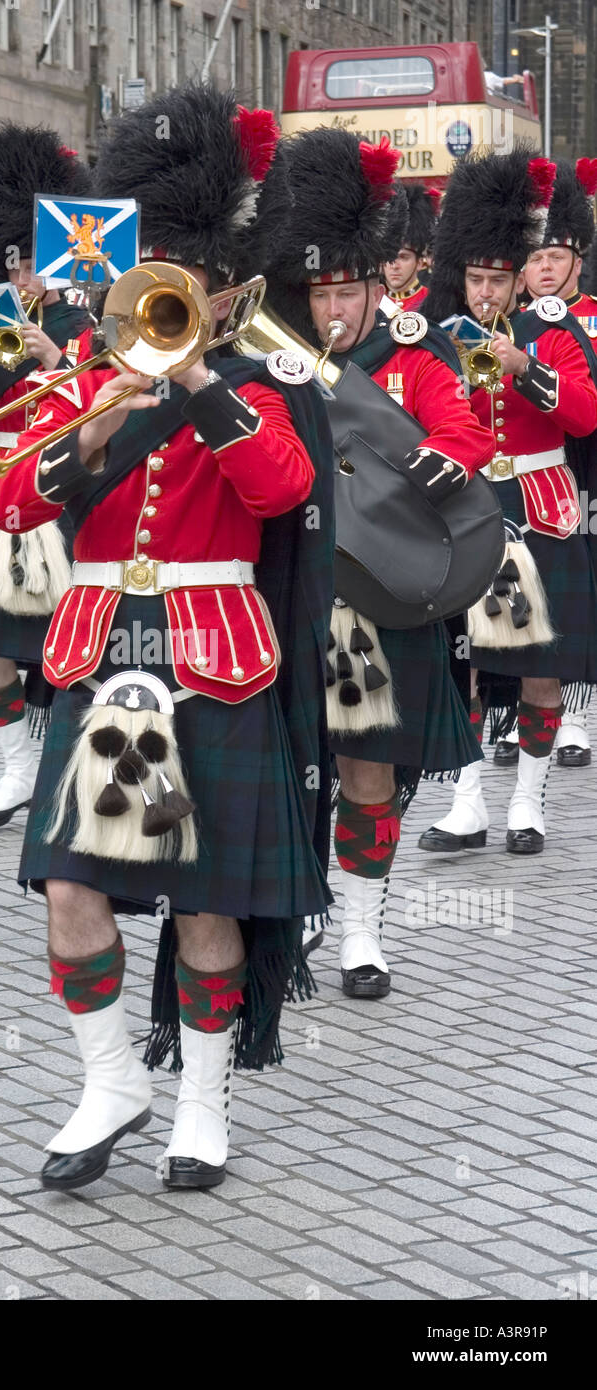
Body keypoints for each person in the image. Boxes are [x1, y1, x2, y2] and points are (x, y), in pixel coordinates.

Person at [0, 83, 335, 1192]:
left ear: (224, 289)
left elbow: (281, 490)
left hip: (210, 657)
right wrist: (91, 433)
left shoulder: (257, 384)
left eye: (186, 280)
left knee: (207, 894)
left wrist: (187, 380)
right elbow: (4, 506)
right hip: (95, 654)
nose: (164, 295)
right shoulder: (85, 383)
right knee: (67, 886)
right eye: (153, 276)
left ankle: (198, 1097)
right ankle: (108, 1078)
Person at [260, 127, 496, 996]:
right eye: (319, 293)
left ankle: (363, 927)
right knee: (289, 756)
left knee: (366, 766)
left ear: (372, 284)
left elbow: (462, 423)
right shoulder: (271, 363)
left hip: (380, 595)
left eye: (348, 291)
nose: (336, 311)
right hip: (293, 590)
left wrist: (445, 458)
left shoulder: (408, 352)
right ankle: (301, 906)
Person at [419, 150, 597, 856]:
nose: (486, 291)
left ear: (519, 277)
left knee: (538, 666)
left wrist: (527, 368)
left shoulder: (551, 332)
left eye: (499, 278)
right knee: (461, 660)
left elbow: (585, 416)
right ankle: (467, 800)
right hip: (465, 506)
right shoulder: (436, 337)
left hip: (539, 502)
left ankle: (529, 797)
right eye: (476, 278)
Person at [0, 126, 94, 831]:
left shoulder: (84, 323)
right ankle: (15, 768)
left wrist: (55, 352)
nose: (20, 278)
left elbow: (101, 394)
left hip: (59, 487)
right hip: (0, 486)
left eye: (31, 265)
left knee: (65, 649)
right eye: (12, 267)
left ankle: (63, 767)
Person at [497, 157, 597, 770]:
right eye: (535, 258)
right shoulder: (481, 325)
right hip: (508, 494)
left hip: (570, 470)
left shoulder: (572, 324)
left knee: (561, 622)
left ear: (576, 262)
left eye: (556, 257)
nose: (545, 267)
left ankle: (575, 712)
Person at [383, 183, 441, 311]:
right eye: (389, 257)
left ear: (420, 263)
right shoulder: (373, 304)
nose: (394, 265)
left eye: (403, 257)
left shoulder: (433, 303)